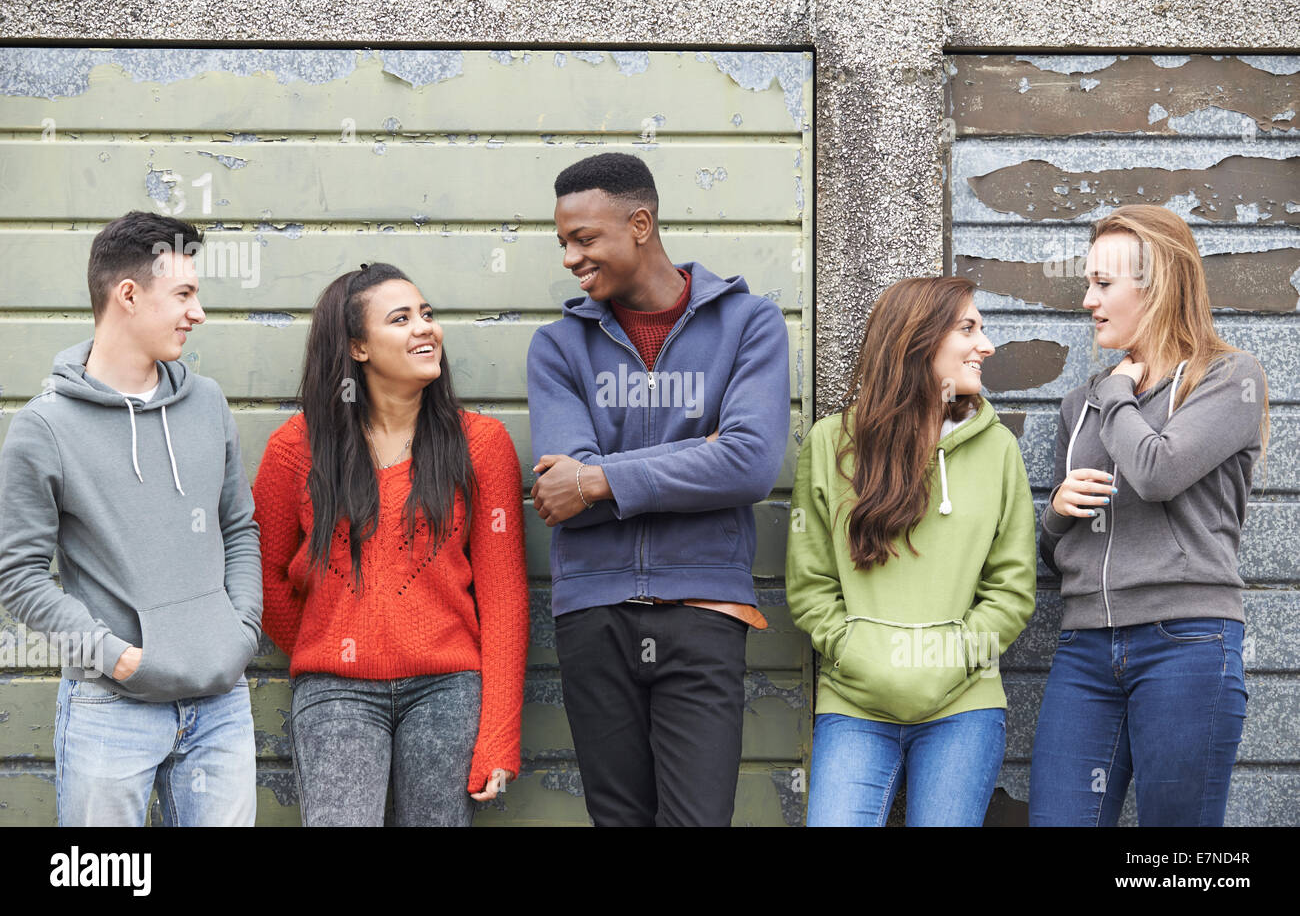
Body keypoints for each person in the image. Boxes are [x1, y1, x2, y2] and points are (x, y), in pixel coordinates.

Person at [526, 152, 790, 826]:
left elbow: (752, 464)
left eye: (583, 239)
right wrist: (698, 454)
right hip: (593, 610)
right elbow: (561, 500)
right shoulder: (557, 347)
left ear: (639, 223)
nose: (570, 258)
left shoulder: (749, 323)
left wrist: (599, 478)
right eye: (563, 242)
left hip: (703, 610)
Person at [0, 211, 262, 826]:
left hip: (220, 703)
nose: (198, 312)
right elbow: (20, 576)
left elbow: (239, 528)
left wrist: (242, 631)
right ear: (127, 294)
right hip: (109, 707)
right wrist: (110, 656)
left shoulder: (207, 403)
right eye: (184, 294)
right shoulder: (44, 427)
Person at [253, 263, 528, 827]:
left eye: (426, 314)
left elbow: (503, 599)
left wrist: (498, 734)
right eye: (400, 319)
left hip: (448, 692)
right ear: (357, 346)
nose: (424, 328)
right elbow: (263, 577)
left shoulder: (483, 444)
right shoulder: (296, 450)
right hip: (336, 694)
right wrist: (330, 633)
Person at [1030, 205, 1268, 827]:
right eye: (1087, 282)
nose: (1087, 300)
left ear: (1157, 284)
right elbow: (1055, 552)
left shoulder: (1228, 377)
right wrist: (1055, 512)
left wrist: (1117, 394)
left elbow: (1158, 473)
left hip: (1185, 641)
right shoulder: (1079, 403)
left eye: (1102, 284)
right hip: (1085, 646)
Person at [786, 275, 1036, 826]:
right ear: (917, 340)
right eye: (968, 328)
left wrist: (952, 658)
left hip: (963, 707)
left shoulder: (999, 451)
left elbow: (1012, 589)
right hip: (854, 703)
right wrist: (856, 653)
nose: (987, 345)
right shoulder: (832, 443)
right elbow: (810, 585)